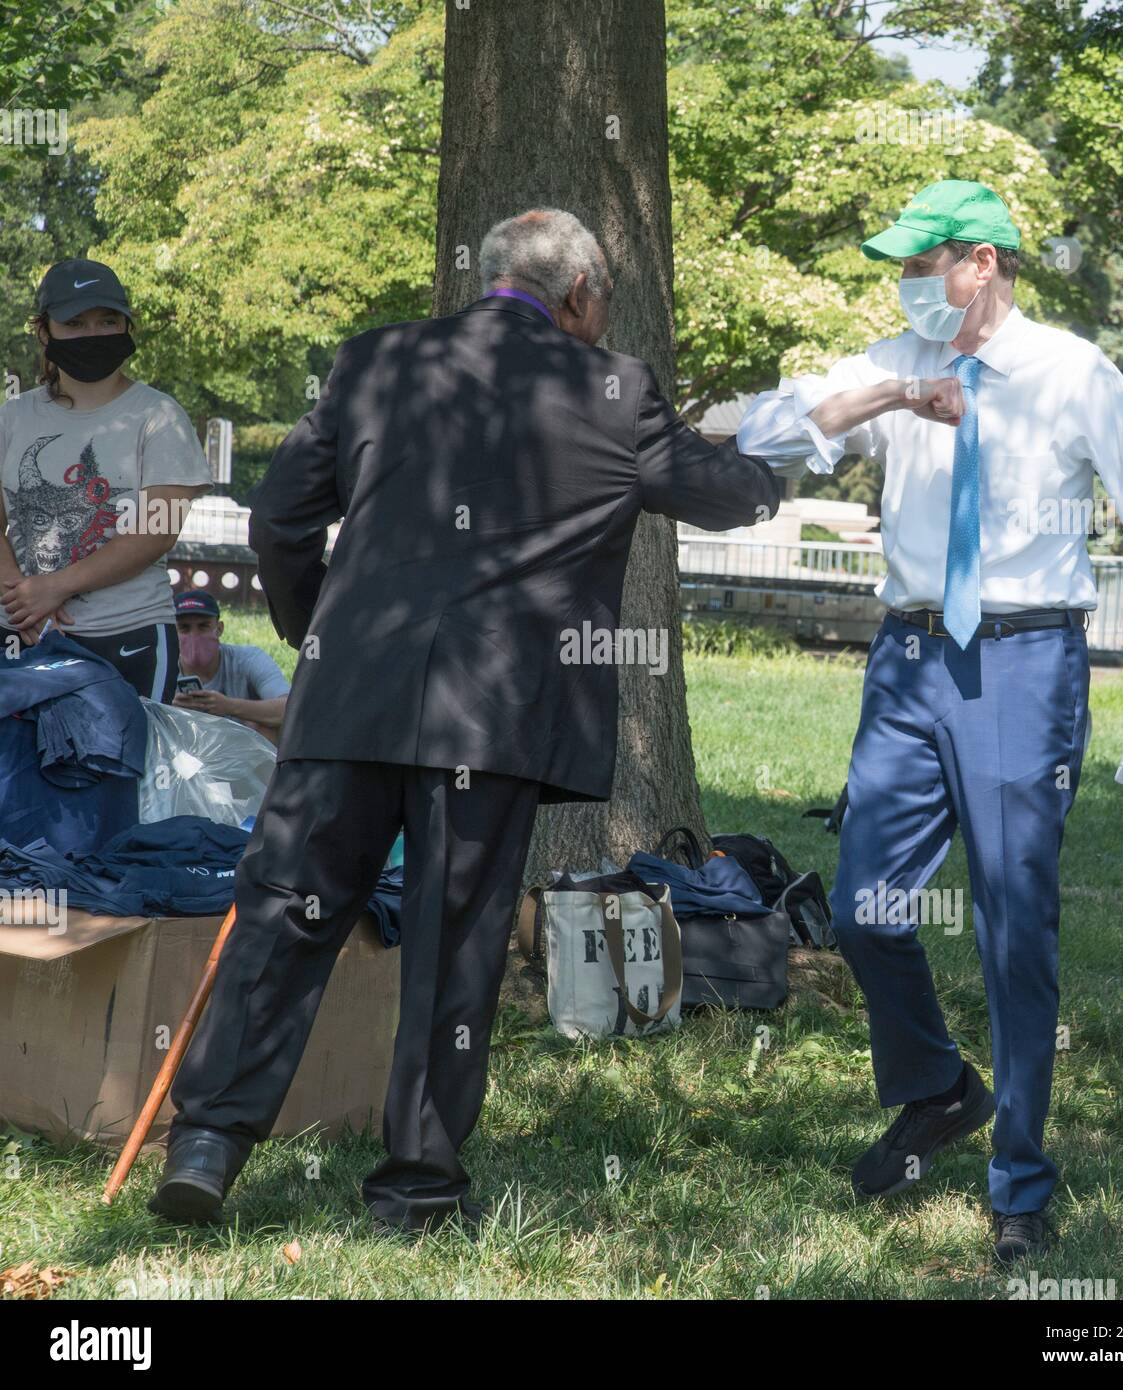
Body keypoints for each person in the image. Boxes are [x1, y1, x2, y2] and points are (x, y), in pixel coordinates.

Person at [149, 208, 782, 1235]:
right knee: (454, 952)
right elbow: (720, 495)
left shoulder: (375, 362)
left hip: (348, 701)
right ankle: (415, 1190)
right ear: (578, 294)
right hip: (487, 726)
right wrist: (780, 459)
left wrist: (322, 637)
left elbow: (275, 519)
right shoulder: (613, 390)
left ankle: (209, 1144)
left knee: (286, 917)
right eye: (605, 296)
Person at [737, 180, 1123, 1263]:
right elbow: (768, 430)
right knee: (861, 903)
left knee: (1013, 924)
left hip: (1027, 658)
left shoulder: (1072, 372)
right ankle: (940, 1085)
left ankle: (1020, 1180)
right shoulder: (899, 355)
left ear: (983, 262)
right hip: (906, 656)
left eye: (923, 262)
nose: (905, 283)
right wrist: (888, 397)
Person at [0, 259, 213, 699]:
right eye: (74, 323)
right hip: (21, 634)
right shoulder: (12, 416)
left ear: (126, 325)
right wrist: (22, 599)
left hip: (128, 636)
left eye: (106, 321)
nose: (92, 335)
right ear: (44, 331)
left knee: (126, 768)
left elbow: (157, 533)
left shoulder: (160, 417)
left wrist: (55, 586)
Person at [172, 589, 290, 744]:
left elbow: (289, 709)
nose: (194, 636)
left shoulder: (248, 659)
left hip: (243, 752)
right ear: (173, 632)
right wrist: (168, 709)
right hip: (185, 752)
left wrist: (228, 706)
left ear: (219, 629)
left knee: (266, 726)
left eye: (203, 626)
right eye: (184, 628)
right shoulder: (163, 670)